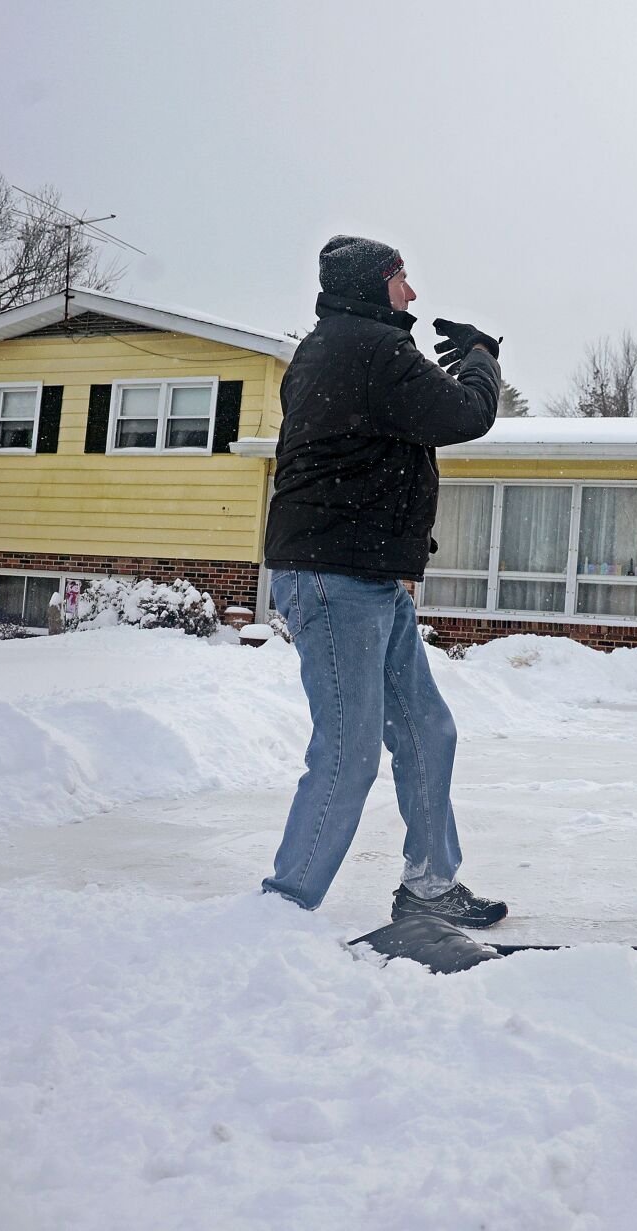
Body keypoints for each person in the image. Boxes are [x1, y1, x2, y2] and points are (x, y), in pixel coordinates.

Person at [261, 234, 507, 927]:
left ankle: (430, 883)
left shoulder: (345, 347)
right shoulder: (369, 349)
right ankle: (283, 908)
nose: (412, 292)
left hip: (365, 577)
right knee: (348, 751)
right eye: (402, 278)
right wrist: (485, 359)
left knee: (426, 728)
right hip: (335, 578)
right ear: (375, 285)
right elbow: (467, 413)